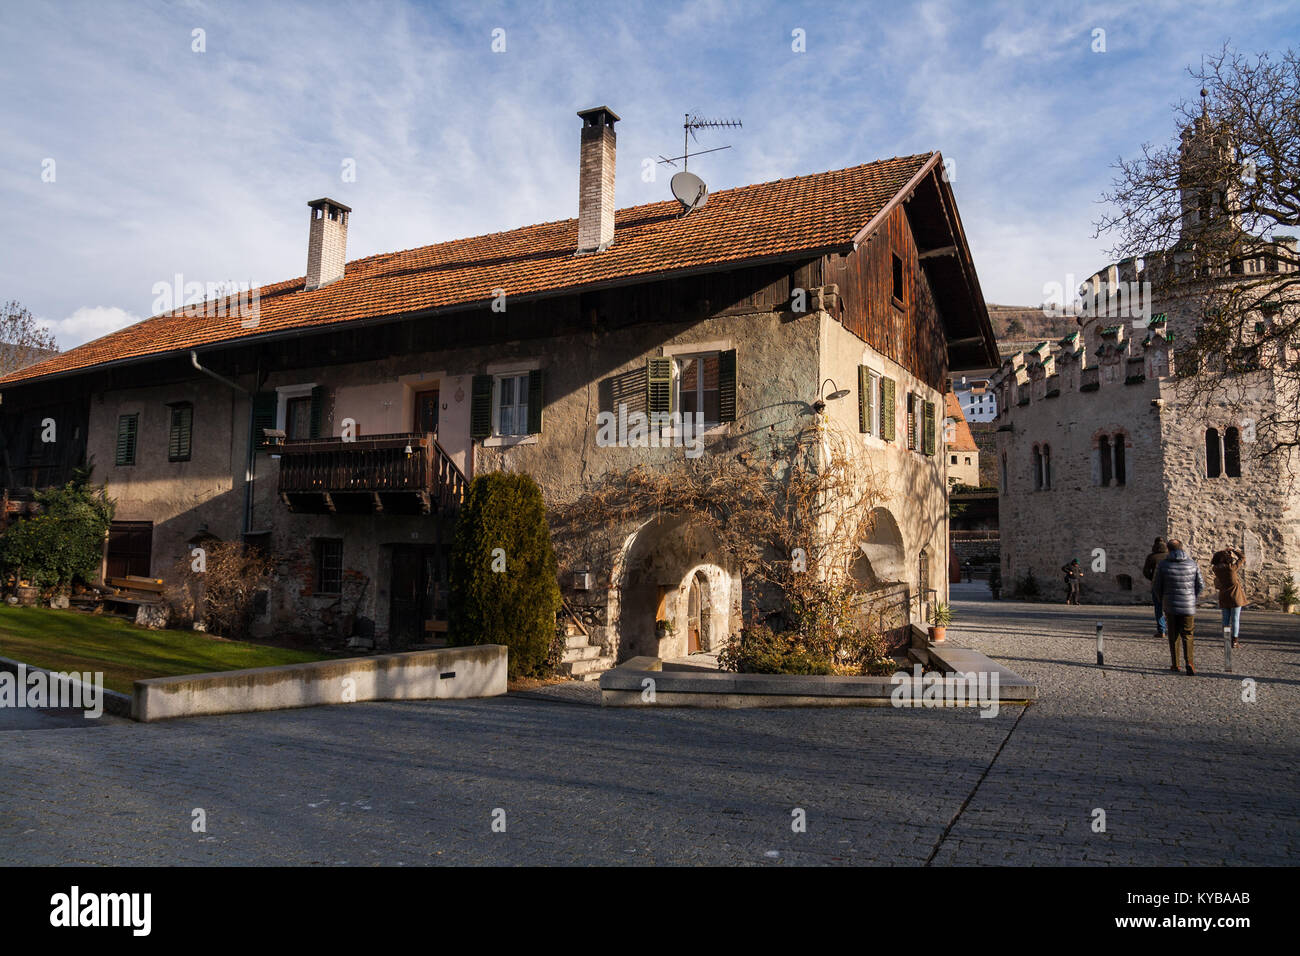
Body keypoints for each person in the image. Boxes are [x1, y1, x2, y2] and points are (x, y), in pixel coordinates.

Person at [1152, 538, 1205, 675]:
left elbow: (1156, 586)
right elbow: (1200, 585)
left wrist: (1162, 600)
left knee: (1173, 634)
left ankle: (1175, 664)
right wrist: (1192, 598)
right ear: (1182, 548)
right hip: (1188, 605)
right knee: (1188, 634)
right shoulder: (1192, 564)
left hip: (1170, 605)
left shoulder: (1163, 565)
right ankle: (1190, 662)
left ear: (1168, 549)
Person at [1211, 547, 1246, 649]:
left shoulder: (1215, 569)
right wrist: (1234, 550)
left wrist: (1224, 553)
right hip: (1235, 596)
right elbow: (1242, 558)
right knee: (1235, 619)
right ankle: (1234, 641)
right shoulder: (1231, 568)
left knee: (1225, 620)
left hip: (1224, 595)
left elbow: (1218, 562)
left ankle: (1226, 640)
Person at [1142, 536, 1169, 641]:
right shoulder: (1169, 556)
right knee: (1169, 608)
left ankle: (1161, 630)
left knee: (1158, 609)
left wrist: (1152, 578)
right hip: (1169, 586)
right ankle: (1172, 628)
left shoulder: (1151, 557)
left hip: (1156, 585)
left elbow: (1145, 572)